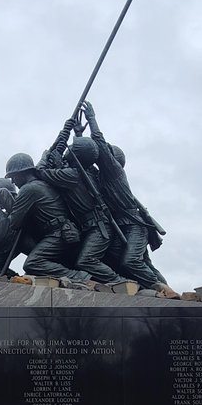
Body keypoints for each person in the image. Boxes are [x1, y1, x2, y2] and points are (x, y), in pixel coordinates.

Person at [82, 101, 168, 289]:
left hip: (134, 224)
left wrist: (92, 120)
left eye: (105, 154)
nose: (99, 154)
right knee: (144, 263)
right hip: (122, 226)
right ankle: (166, 289)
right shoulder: (102, 176)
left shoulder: (113, 170)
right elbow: (84, 162)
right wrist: (79, 135)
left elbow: (99, 144)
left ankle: (162, 289)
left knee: (131, 261)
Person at [38, 120, 127, 285]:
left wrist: (45, 155)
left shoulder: (71, 175)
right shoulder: (90, 172)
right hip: (95, 226)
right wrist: (74, 133)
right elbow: (77, 153)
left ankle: (121, 283)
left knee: (86, 261)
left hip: (98, 228)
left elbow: (41, 172)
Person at [4, 153, 91, 281]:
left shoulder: (29, 189)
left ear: (21, 173)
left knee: (32, 263)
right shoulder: (42, 184)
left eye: (13, 176)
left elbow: (13, 223)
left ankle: (78, 277)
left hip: (59, 234)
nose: (12, 181)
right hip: (62, 232)